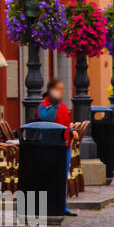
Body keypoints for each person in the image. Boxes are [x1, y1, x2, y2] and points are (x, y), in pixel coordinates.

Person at [37, 79, 77, 217]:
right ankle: (52, 205)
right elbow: (47, 119)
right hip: (52, 148)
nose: (62, 91)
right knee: (52, 177)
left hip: (64, 146)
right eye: (58, 89)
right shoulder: (44, 107)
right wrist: (54, 104)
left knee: (62, 178)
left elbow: (64, 123)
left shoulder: (62, 106)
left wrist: (71, 130)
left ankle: (62, 206)